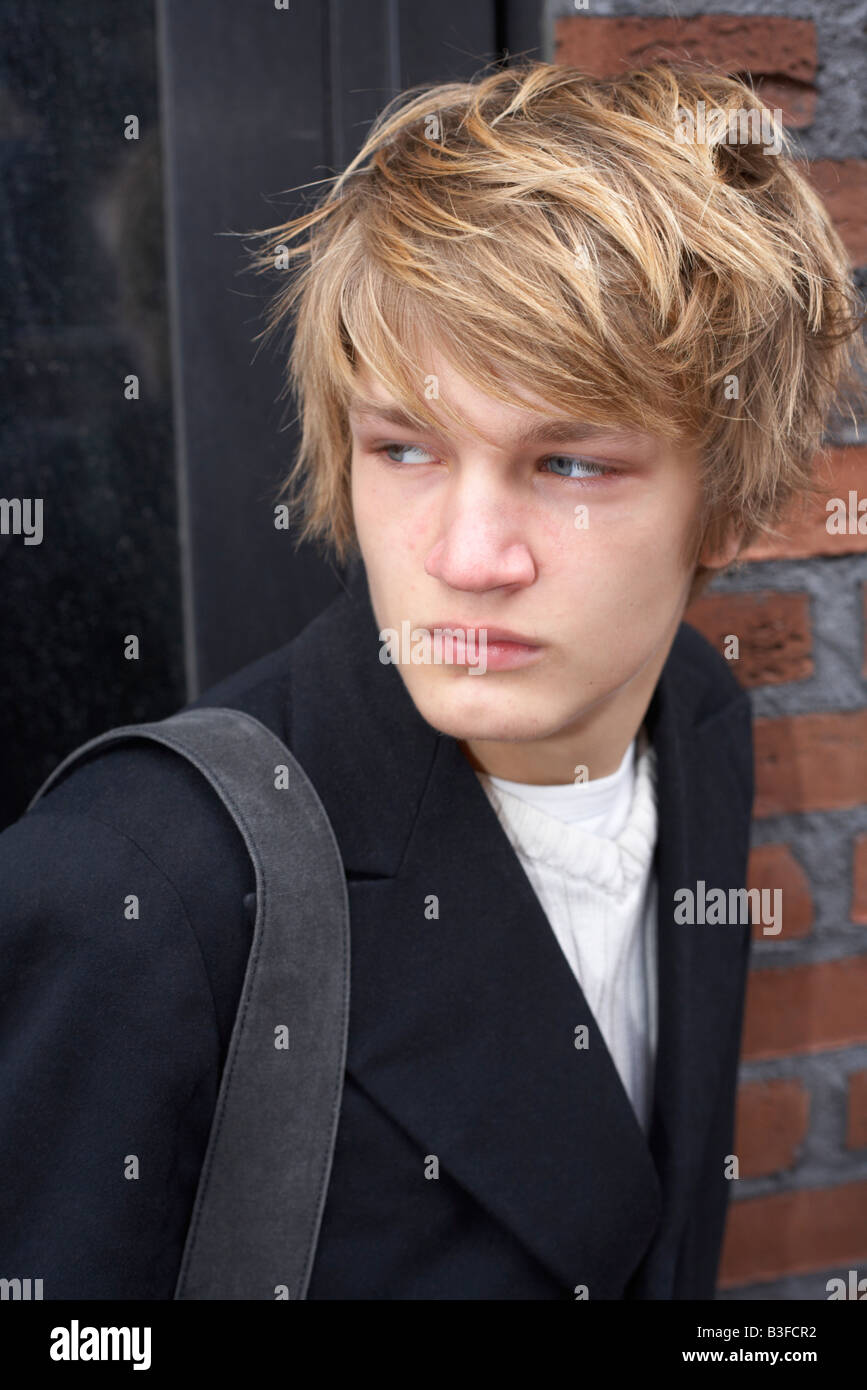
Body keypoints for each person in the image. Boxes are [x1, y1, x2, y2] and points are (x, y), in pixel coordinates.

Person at [0, 60, 863, 1300]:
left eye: (569, 462)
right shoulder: (135, 890)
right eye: (403, 446)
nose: (465, 558)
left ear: (725, 505)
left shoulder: (697, 718)